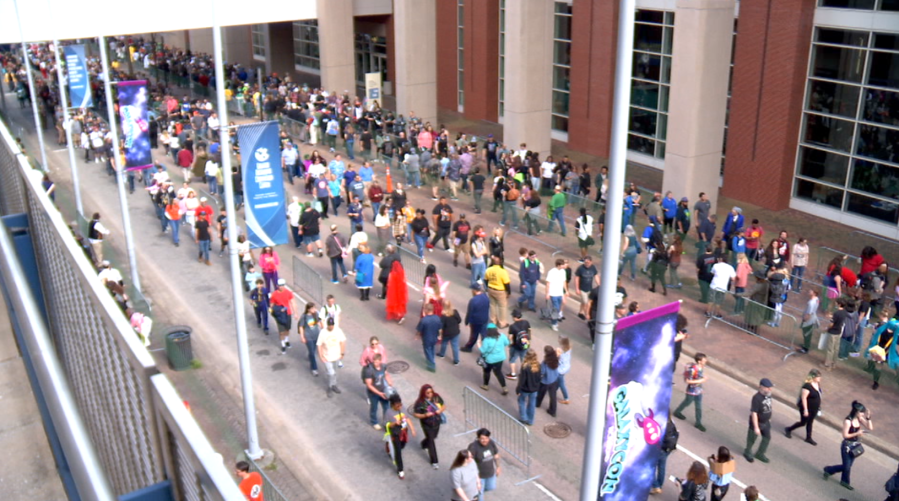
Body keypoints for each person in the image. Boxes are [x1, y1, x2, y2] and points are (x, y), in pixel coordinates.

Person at [823, 400, 874, 490]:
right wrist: (857, 433)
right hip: (847, 446)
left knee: (848, 466)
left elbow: (870, 427)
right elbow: (845, 435)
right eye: (862, 413)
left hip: (855, 445)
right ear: (857, 412)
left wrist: (869, 418)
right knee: (846, 466)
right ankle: (829, 469)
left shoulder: (859, 419)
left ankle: (844, 481)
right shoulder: (848, 421)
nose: (863, 415)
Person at [784, 369, 823, 445]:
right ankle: (788, 429)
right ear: (813, 377)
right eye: (818, 377)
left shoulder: (817, 384)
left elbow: (819, 395)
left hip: (814, 408)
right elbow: (804, 398)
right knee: (803, 422)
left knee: (810, 422)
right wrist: (805, 410)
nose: (820, 378)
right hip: (806, 408)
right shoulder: (807, 386)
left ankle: (808, 438)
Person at [412, 384, 446, 469]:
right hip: (426, 424)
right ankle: (434, 461)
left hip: (436, 421)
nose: (430, 394)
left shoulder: (436, 397)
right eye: (428, 393)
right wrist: (425, 415)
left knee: (433, 437)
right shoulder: (420, 402)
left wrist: (440, 410)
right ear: (424, 393)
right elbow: (416, 414)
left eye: (431, 392)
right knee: (431, 441)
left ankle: (423, 444)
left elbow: (444, 405)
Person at [673, 353, 708, 432]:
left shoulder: (701, 367)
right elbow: (688, 381)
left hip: (698, 390)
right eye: (704, 360)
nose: (705, 361)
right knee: (687, 402)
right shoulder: (693, 369)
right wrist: (701, 380)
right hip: (691, 391)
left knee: (698, 407)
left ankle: (698, 422)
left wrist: (702, 378)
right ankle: (677, 412)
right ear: (699, 361)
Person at [743, 378, 775, 464]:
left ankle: (760, 453)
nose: (770, 389)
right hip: (758, 423)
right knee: (752, 439)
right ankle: (747, 452)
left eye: (770, 387)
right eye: (768, 387)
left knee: (767, 438)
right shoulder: (756, 398)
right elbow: (754, 413)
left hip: (766, 422)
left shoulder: (768, 395)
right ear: (761, 387)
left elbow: (769, 406)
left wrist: (769, 418)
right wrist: (756, 427)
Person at [385, 393, 416, 480]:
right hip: (396, 433)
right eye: (397, 405)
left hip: (404, 432)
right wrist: (395, 423)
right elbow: (386, 424)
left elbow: (408, 418)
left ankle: (390, 446)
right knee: (398, 452)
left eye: (400, 404)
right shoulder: (389, 413)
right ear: (392, 405)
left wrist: (412, 429)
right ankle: (400, 470)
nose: (399, 407)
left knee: (403, 445)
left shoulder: (403, 409)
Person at [316, 318, 346, 397]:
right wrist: (321, 356)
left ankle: (334, 385)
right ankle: (329, 387)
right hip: (327, 357)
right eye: (329, 325)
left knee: (335, 372)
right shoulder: (323, 332)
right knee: (331, 373)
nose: (331, 327)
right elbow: (319, 344)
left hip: (336, 356)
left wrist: (342, 353)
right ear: (327, 325)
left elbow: (342, 341)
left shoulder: (338, 330)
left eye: (332, 325)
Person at [363, 353, 393, 429]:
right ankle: (374, 422)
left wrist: (389, 383)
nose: (375, 363)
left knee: (386, 407)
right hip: (373, 393)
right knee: (374, 407)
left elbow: (386, 374)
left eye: (376, 361)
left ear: (380, 361)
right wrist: (379, 393)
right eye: (374, 361)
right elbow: (369, 385)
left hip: (383, 389)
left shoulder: (383, 366)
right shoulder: (369, 370)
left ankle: (386, 423)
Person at [468, 429, 501, 498]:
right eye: (482, 439)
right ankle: (478, 493)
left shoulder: (491, 443)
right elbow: (469, 461)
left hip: (490, 473)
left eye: (486, 438)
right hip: (479, 476)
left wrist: (498, 467)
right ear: (478, 438)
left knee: (491, 487)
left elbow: (496, 455)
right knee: (480, 495)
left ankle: (477, 492)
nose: (485, 440)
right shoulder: (473, 447)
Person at [650, 417, 678, 494]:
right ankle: (659, 484)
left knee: (650, 466)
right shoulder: (672, 422)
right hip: (668, 449)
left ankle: (656, 486)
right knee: (662, 466)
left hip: (661, 448)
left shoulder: (662, 423)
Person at [479, 324, 510, 394]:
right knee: (498, 373)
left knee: (487, 372)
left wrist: (479, 345)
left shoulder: (487, 339)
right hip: (500, 358)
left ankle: (485, 385)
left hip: (489, 360)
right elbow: (507, 343)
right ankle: (504, 387)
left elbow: (483, 350)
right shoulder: (502, 336)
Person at [515, 349, 541, 426]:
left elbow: (522, 380)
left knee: (521, 401)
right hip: (534, 389)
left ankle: (523, 417)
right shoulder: (538, 365)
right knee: (532, 404)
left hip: (525, 389)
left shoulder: (525, 366)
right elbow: (539, 377)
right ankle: (530, 420)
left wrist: (518, 389)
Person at [269, 279, 296, 355]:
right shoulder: (274, 294)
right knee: (281, 332)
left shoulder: (288, 293)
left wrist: (295, 313)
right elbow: (271, 305)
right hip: (280, 315)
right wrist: (274, 312)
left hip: (288, 313)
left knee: (287, 329)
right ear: (277, 286)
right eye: (280, 285)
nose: (282, 287)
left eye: (283, 285)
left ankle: (286, 340)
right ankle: (283, 345)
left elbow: (293, 302)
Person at [484, 255, 511, 328]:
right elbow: (506, 284)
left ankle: (493, 321)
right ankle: (502, 323)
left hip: (491, 288)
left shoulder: (489, 270)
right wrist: (508, 292)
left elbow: (486, 280)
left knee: (492, 305)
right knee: (502, 307)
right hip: (500, 290)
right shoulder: (503, 271)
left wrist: (488, 287)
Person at [462, 284, 490, 352]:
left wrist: (466, 321)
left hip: (475, 321)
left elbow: (470, 312)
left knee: (474, 335)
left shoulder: (473, 300)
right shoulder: (486, 297)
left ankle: (469, 347)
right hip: (485, 319)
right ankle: (487, 349)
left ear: (474, 290)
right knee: (484, 335)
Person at [416, 303, 442, 372]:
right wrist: (440, 335)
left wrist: (417, 336)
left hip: (427, 338)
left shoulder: (424, 320)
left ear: (427, 310)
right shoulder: (437, 318)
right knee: (432, 349)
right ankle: (432, 359)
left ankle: (431, 365)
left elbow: (419, 330)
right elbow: (440, 328)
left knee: (427, 351)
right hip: (434, 337)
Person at [536, 345, 561, 418]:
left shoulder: (545, 362)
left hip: (546, 381)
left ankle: (537, 404)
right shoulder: (556, 358)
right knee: (553, 396)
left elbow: (542, 372)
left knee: (541, 393)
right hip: (554, 379)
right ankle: (553, 411)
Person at [298, 303, 322, 376]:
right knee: (312, 353)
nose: (314, 310)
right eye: (312, 308)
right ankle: (314, 368)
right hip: (308, 336)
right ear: (308, 309)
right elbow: (301, 327)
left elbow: (319, 322)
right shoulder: (304, 317)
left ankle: (310, 356)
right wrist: (302, 337)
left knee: (314, 350)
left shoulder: (316, 314)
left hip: (316, 335)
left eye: (314, 308)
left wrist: (323, 329)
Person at [506, 310, 531, 379]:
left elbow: (510, 337)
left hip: (516, 346)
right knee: (524, 360)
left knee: (512, 360)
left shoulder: (512, 326)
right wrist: (529, 340)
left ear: (514, 317)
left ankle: (513, 374)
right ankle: (524, 374)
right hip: (525, 344)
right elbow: (529, 330)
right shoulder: (526, 322)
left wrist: (510, 344)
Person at [438, 299, 463, 365]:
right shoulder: (455, 311)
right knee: (455, 346)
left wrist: (440, 334)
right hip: (455, 332)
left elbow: (441, 326)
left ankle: (442, 354)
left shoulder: (443, 316)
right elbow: (459, 320)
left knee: (444, 343)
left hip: (447, 333)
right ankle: (456, 360)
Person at [546, 259, 568, 332]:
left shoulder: (563, 272)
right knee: (556, 309)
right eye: (562, 265)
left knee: (557, 309)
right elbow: (548, 283)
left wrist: (566, 291)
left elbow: (564, 282)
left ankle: (553, 319)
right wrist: (547, 293)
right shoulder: (551, 272)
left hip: (560, 293)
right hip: (553, 293)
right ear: (558, 265)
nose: (563, 266)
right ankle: (554, 324)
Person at [385, 256, 408, 325]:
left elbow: (389, 283)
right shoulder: (402, 272)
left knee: (394, 303)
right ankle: (401, 315)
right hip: (401, 291)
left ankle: (399, 316)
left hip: (394, 291)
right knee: (400, 303)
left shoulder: (392, 274)